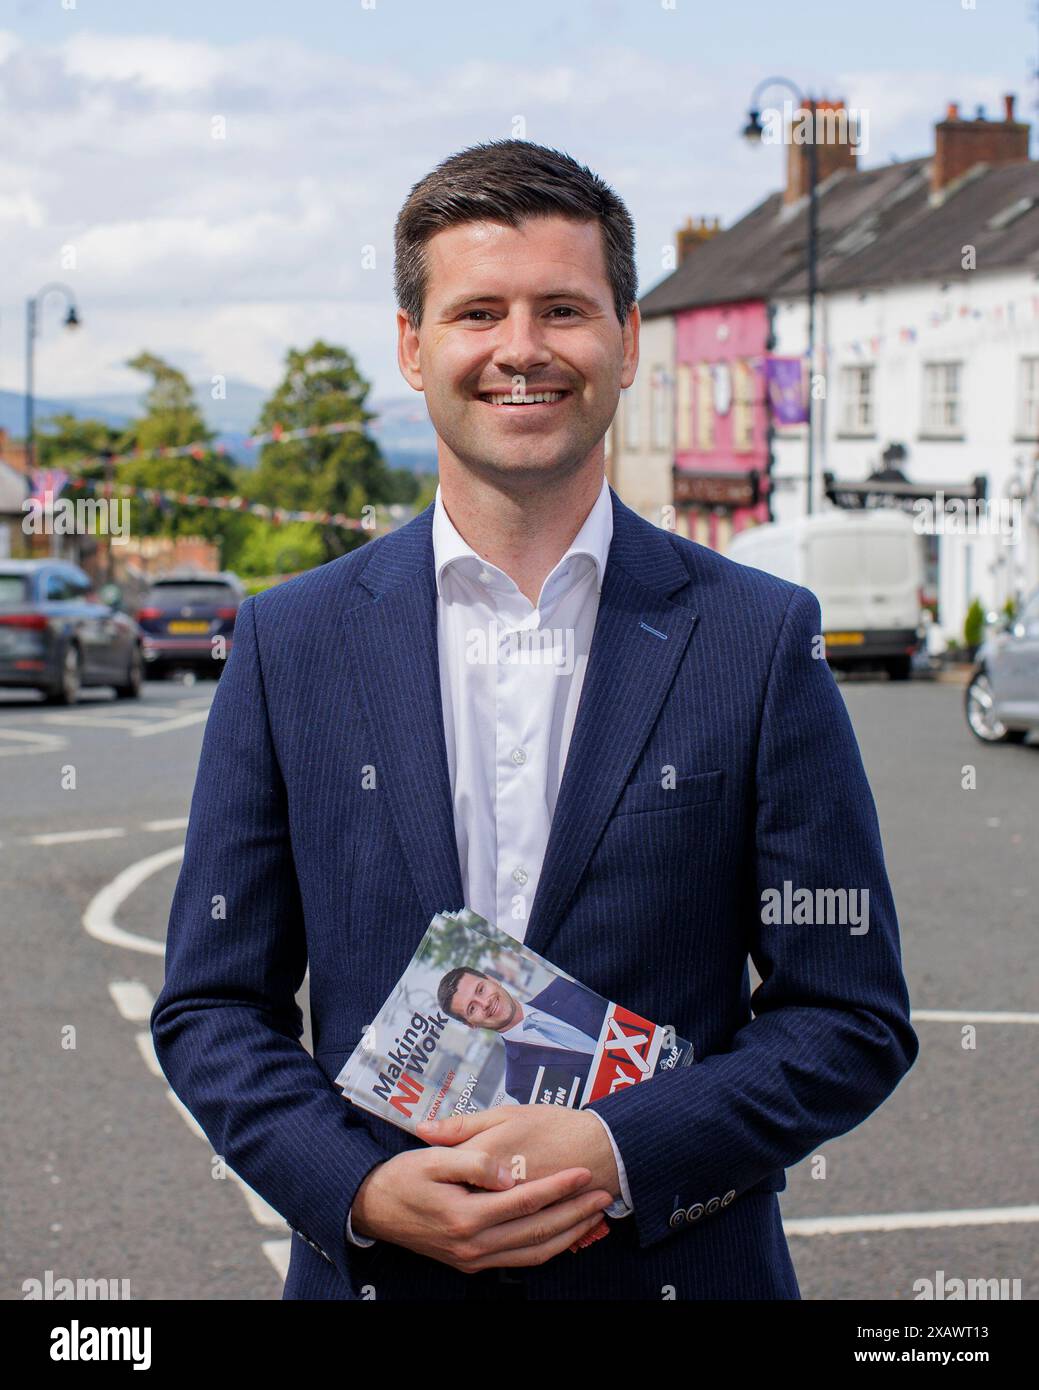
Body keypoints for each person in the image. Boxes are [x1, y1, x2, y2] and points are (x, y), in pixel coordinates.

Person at [151, 138, 919, 1302]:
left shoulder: (760, 638)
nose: (521, 349)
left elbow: (848, 1014)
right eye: (477, 313)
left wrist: (623, 1150)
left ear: (626, 340)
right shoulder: (290, 642)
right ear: (414, 347)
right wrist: (354, 1188)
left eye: (564, 308)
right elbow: (212, 1004)